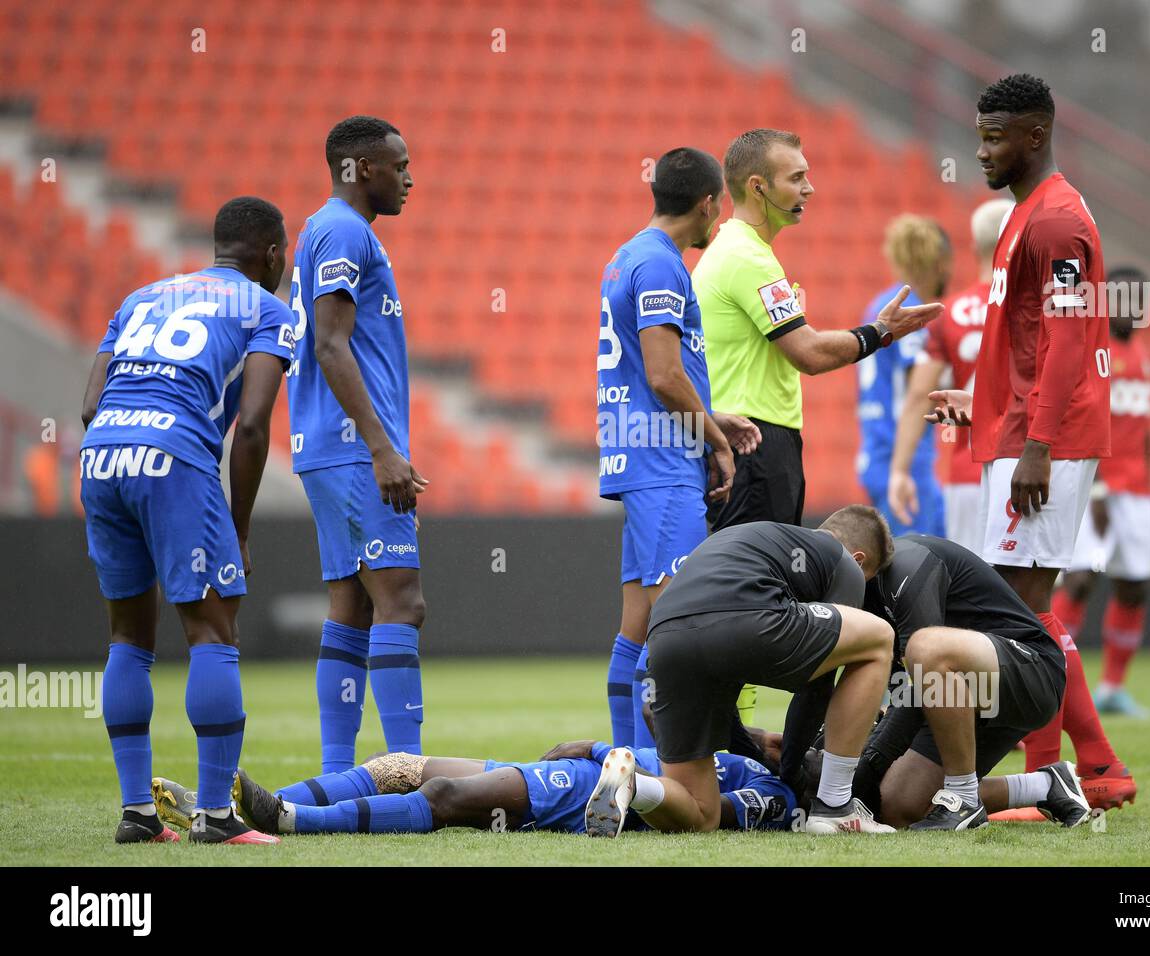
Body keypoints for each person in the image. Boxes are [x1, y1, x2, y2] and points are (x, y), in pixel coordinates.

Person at [926, 73, 1137, 811]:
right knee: (1021, 610)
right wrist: (982, 404)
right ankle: (1082, 768)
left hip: (1046, 440)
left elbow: (1070, 340)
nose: (981, 151)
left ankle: (1072, 771)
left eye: (995, 138)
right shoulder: (1025, 214)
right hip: (1021, 430)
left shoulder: (1054, 221)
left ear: (1035, 135)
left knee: (1019, 612)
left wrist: (1039, 443)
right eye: (979, 137)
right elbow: (1028, 341)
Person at [692, 128, 941, 723]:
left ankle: (739, 738)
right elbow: (807, 352)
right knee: (748, 601)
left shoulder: (742, 252)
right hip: (754, 445)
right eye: (797, 177)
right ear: (758, 186)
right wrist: (879, 334)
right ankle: (734, 743)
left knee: (751, 596)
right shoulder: (747, 258)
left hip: (758, 442)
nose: (810, 187)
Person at [79, 196, 295, 845]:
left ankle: (137, 815)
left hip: (102, 453)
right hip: (173, 454)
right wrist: (238, 526)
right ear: (272, 255)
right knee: (212, 632)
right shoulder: (267, 309)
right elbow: (252, 426)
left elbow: (89, 405)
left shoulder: (142, 297)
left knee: (128, 637)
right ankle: (215, 815)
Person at [583, 507, 899, 836]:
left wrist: (752, 749)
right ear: (859, 559)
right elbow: (815, 688)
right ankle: (835, 807)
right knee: (879, 639)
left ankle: (632, 783)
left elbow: (720, 683)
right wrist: (791, 776)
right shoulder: (842, 561)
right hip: (741, 616)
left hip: (664, 637)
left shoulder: (754, 543)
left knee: (702, 814)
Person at [597, 147, 760, 750]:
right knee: (676, 622)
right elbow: (665, 375)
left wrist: (710, 416)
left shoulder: (626, 257)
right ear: (708, 204)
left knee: (638, 625)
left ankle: (631, 761)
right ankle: (664, 767)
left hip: (639, 453)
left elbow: (657, 374)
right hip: (663, 461)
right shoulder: (661, 264)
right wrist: (715, 441)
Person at [286, 116, 427, 773]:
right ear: (362, 168)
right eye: (400, 165)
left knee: (354, 605)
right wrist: (380, 448)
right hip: (350, 450)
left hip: (331, 447)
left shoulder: (332, 229)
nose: (409, 178)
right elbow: (329, 343)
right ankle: (407, 770)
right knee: (402, 601)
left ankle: (338, 775)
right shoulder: (343, 230)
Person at [781, 531, 1087, 830]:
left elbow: (917, 685)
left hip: (1029, 673)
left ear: (857, 560)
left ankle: (964, 798)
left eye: (823, 571)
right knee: (897, 805)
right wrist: (792, 774)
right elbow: (892, 692)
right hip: (957, 697)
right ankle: (1045, 786)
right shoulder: (863, 593)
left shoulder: (908, 565)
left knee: (926, 646)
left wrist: (867, 767)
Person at [150, 736, 796, 836]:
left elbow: (706, 813)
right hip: (576, 774)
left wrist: (597, 750)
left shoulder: (777, 794)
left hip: (579, 790)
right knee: (396, 765)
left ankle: (287, 819)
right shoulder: (748, 752)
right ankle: (227, 808)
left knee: (445, 800)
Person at [1055, 266, 1150, 717]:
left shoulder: (1143, 355)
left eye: (1140, 300)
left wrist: (1149, 484)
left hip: (1137, 491)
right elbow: (1076, 419)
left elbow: (1144, 429)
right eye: (1124, 299)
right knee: (1080, 578)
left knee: (1134, 585)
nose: (1132, 309)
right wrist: (1095, 488)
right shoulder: (1093, 352)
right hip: (1096, 485)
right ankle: (1053, 679)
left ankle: (1113, 687)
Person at [888, 199, 1013, 551]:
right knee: (1027, 580)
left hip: (968, 473)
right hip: (1025, 467)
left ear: (974, 248)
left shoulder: (951, 312)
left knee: (971, 578)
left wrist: (899, 471)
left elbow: (919, 396)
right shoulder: (1034, 308)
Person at [857, 214, 952, 536]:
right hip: (902, 456)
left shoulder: (880, 305)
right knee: (918, 558)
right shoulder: (911, 312)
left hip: (877, 450)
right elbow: (920, 388)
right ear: (940, 262)